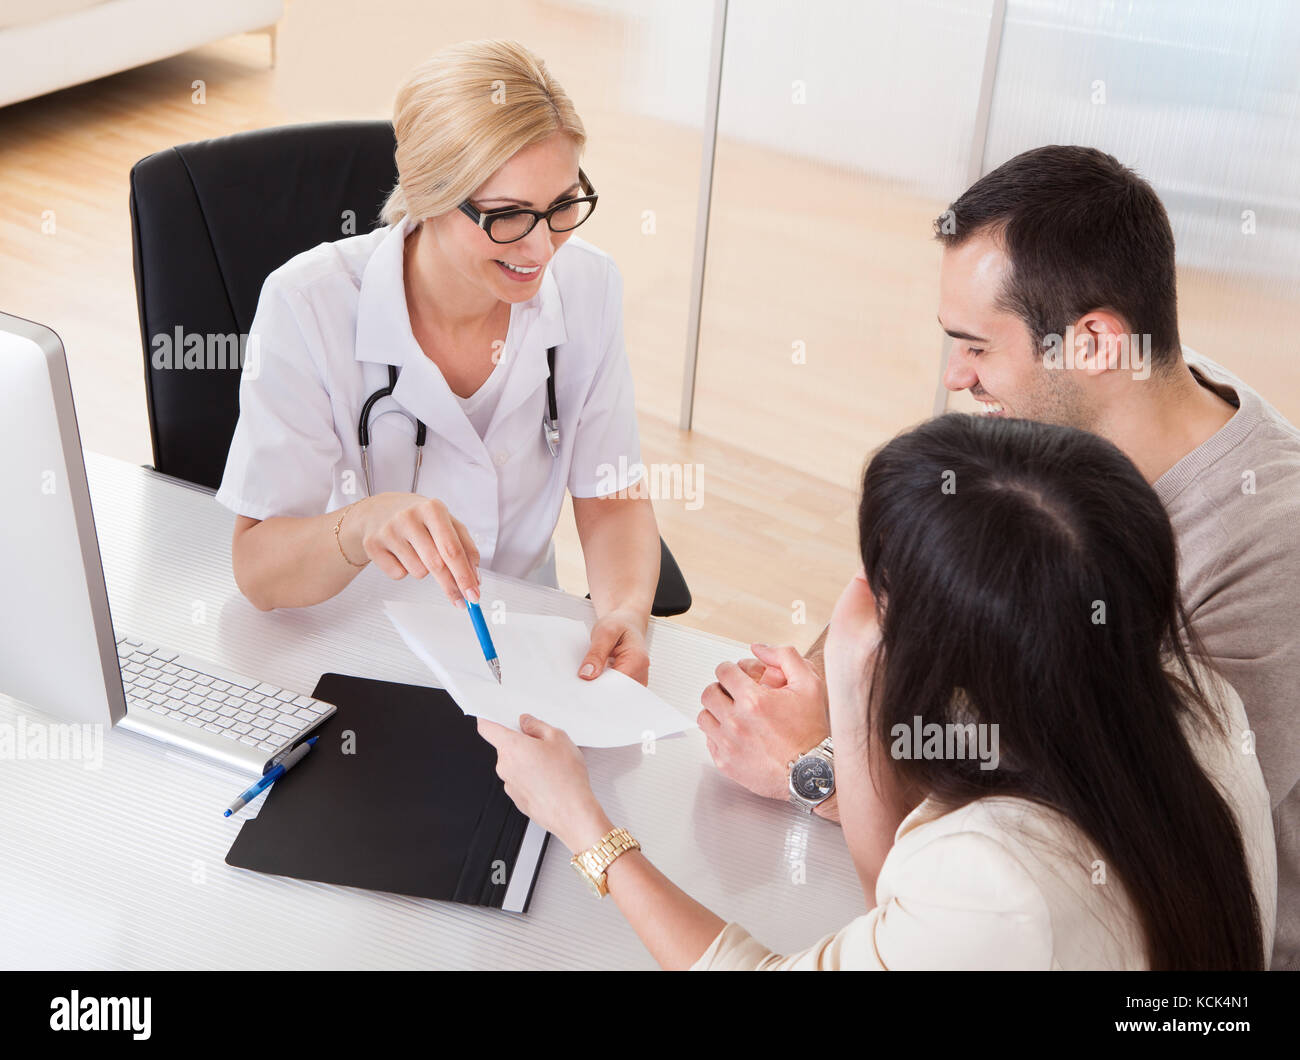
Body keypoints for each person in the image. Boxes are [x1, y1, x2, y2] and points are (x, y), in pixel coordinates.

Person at [699, 145, 1300, 968]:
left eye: (977, 347)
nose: (955, 376)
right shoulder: (1107, 404)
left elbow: (1108, 840)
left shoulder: (1272, 551)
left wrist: (826, 765)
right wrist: (837, 677)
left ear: (1093, 342)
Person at [480, 415, 1276, 969]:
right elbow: (893, 903)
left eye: (880, 583)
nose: (860, 589)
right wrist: (830, 752)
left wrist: (583, 824)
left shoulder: (997, 885)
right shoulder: (1192, 698)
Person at [215, 40, 659, 684]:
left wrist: (624, 611)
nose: (542, 246)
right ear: (427, 195)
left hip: (520, 643)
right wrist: (360, 525)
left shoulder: (588, 286)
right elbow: (258, 574)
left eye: (563, 205)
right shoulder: (307, 304)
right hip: (357, 643)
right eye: (507, 216)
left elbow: (612, 497)